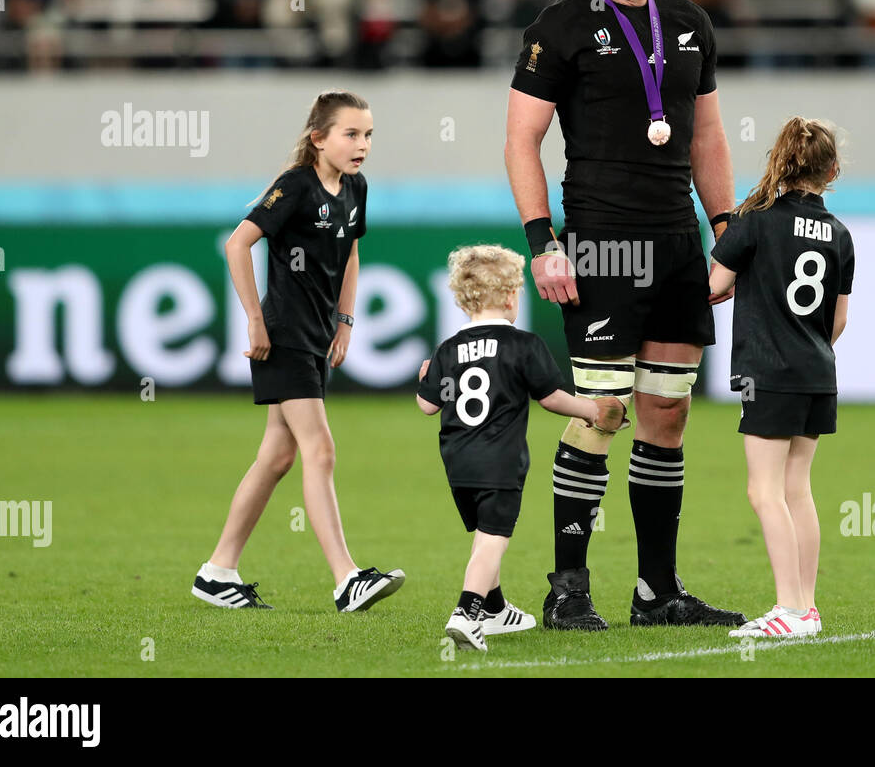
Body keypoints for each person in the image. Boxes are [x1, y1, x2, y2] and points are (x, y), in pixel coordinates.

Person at [505, 0, 743, 629]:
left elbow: (707, 137)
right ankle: (567, 588)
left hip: (677, 244)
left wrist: (727, 229)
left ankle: (656, 591)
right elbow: (521, 140)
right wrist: (542, 239)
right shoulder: (560, 26)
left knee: (666, 413)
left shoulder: (690, 24)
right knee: (603, 409)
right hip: (604, 245)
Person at [191, 90, 405, 612]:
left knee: (278, 455)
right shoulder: (295, 186)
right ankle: (347, 578)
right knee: (320, 449)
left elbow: (351, 252)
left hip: (315, 334)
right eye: (351, 134)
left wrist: (346, 320)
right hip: (285, 334)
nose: (362, 145)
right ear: (319, 138)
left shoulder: (355, 187)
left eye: (368, 135)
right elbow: (237, 244)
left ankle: (217, 571)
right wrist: (256, 320)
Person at [416, 245, 625, 651]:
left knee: (482, 532)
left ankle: (495, 610)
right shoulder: (523, 345)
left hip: (456, 462)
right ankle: (467, 611)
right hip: (500, 461)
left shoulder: (447, 350)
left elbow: (427, 405)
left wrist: (425, 373)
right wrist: (591, 410)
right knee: (494, 538)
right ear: (512, 296)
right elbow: (551, 398)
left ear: (462, 298)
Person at [707, 117, 853, 638]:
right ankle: (806, 608)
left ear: (778, 161)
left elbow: (714, 284)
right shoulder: (839, 232)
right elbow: (838, 320)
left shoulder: (757, 218)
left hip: (767, 369)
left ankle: (789, 610)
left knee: (764, 491)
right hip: (817, 369)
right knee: (798, 489)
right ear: (832, 170)